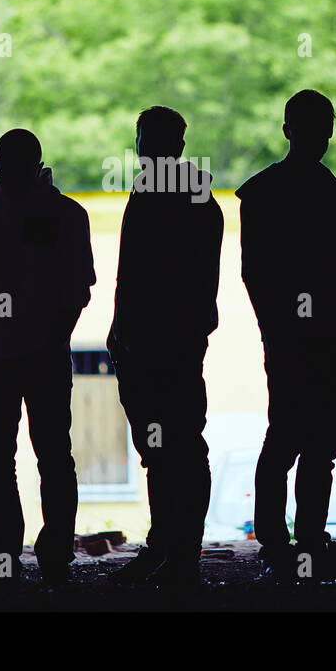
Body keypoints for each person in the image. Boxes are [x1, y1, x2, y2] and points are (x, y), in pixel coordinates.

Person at [0, 128, 95, 585]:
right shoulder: (69, 216)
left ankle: (2, 556)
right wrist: (54, 335)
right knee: (53, 455)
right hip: (43, 355)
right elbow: (78, 289)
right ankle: (54, 555)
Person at [237, 90, 336, 582]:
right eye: (319, 126)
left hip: (302, 337)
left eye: (324, 126)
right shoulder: (324, 189)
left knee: (296, 438)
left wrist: (282, 329)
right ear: (293, 130)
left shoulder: (264, 190)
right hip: (316, 338)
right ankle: (300, 540)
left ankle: (283, 543)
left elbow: (265, 273)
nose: (324, 136)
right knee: (308, 442)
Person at [106, 106, 223, 586]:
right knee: (178, 446)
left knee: (168, 446)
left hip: (155, 343)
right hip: (173, 341)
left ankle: (174, 550)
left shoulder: (155, 197)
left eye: (146, 139)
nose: (142, 149)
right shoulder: (197, 198)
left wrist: (121, 330)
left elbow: (133, 275)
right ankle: (175, 550)